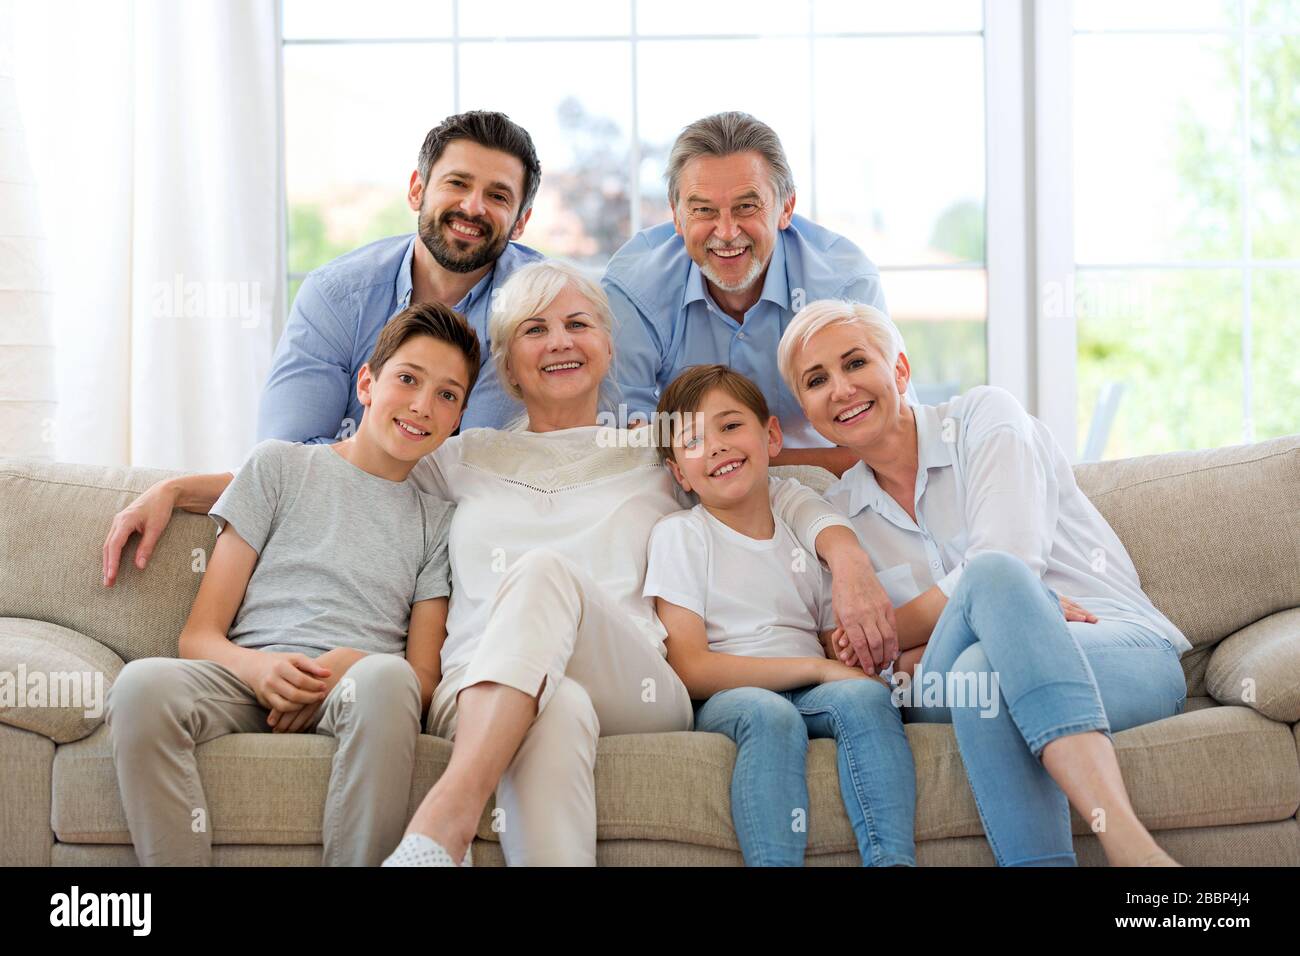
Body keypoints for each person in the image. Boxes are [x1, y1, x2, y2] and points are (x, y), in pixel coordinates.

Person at [101, 261, 895, 867]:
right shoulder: (458, 455)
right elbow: (343, 468)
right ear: (509, 368)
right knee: (553, 713)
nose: (559, 342)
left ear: (608, 348)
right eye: (535, 331)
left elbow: (774, 480)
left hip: (634, 684)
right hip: (483, 691)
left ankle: (445, 816)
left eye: (579, 324)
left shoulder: (659, 452)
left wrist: (844, 548)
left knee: (543, 573)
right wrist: (175, 488)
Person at [779, 298, 1191, 867]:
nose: (841, 388)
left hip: (1114, 648)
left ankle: (1120, 849)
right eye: (816, 380)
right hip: (937, 689)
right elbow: (855, 657)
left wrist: (913, 626)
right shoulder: (838, 516)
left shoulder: (983, 419)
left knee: (988, 633)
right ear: (805, 407)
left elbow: (1008, 558)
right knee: (989, 604)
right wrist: (999, 609)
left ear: (899, 370)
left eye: (855, 363)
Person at [104, 302, 478, 866]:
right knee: (139, 686)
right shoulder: (277, 468)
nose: (423, 405)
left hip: (357, 689)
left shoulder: (438, 521)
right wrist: (263, 670)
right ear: (367, 383)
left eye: (448, 395)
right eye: (408, 379)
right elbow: (199, 638)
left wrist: (334, 672)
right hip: (245, 677)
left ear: (458, 420)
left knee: (387, 677)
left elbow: (422, 679)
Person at [644, 364, 916, 866]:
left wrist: (846, 652)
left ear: (771, 436)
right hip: (732, 696)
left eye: (730, 426)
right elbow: (691, 668)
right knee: (770, 715)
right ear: (679, 472)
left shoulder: (800, 524)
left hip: (816, 687)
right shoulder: (681, 535)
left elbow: (832, 635)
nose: (719, 446)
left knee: (864, 698)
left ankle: (892, 860)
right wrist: (816, 666)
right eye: (695, 440)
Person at [603, 111, 908, 477]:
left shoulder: (843, 286)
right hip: (690, 495)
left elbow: (886, 438)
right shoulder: (635, 288)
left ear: (786, 208)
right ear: (677, 215)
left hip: (827, 486)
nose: (727, 232)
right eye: (703, 210)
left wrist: (744, 465)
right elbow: (625, 442)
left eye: (747, 207)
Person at [259, 110, 544, 443]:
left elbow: (477, 467)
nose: (472, 207)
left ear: (521, 222)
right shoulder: (336, 294)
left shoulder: (539, 306)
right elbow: (286, 455)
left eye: (497, 196)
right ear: (417, 191)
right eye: (457, 183)